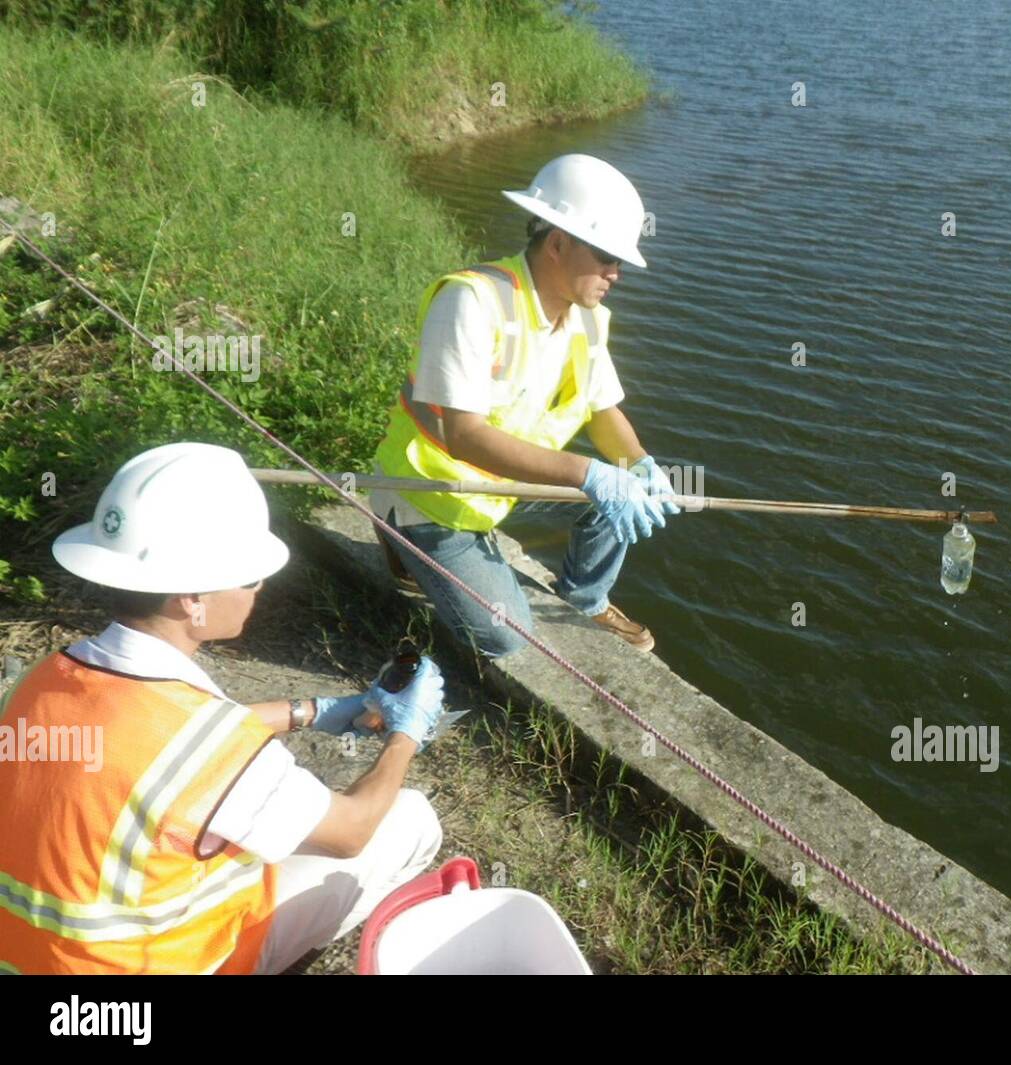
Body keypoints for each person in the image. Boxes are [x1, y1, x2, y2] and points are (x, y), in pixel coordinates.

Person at [0, 442, 447, 974]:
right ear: (193, 597)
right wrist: (407, 734)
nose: (257, 592)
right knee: (413, 819)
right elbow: (351, 832)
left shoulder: (39, 681)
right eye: (251, 578)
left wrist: (308, 710)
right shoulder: (210, 746)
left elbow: (150, 742)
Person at [371, 153, 682, 657]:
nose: (615, 274)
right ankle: (400, 545)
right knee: (505, 638)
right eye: (606, 257)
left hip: (501, 483)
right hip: (432, 495)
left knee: (616, 487)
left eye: (620, 262)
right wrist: (588, 474)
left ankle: (586, 597)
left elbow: (603, 411)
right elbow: (464, 436)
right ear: (558, 243)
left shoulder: (589, 317)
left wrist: (638, 464)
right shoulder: (472, 301)